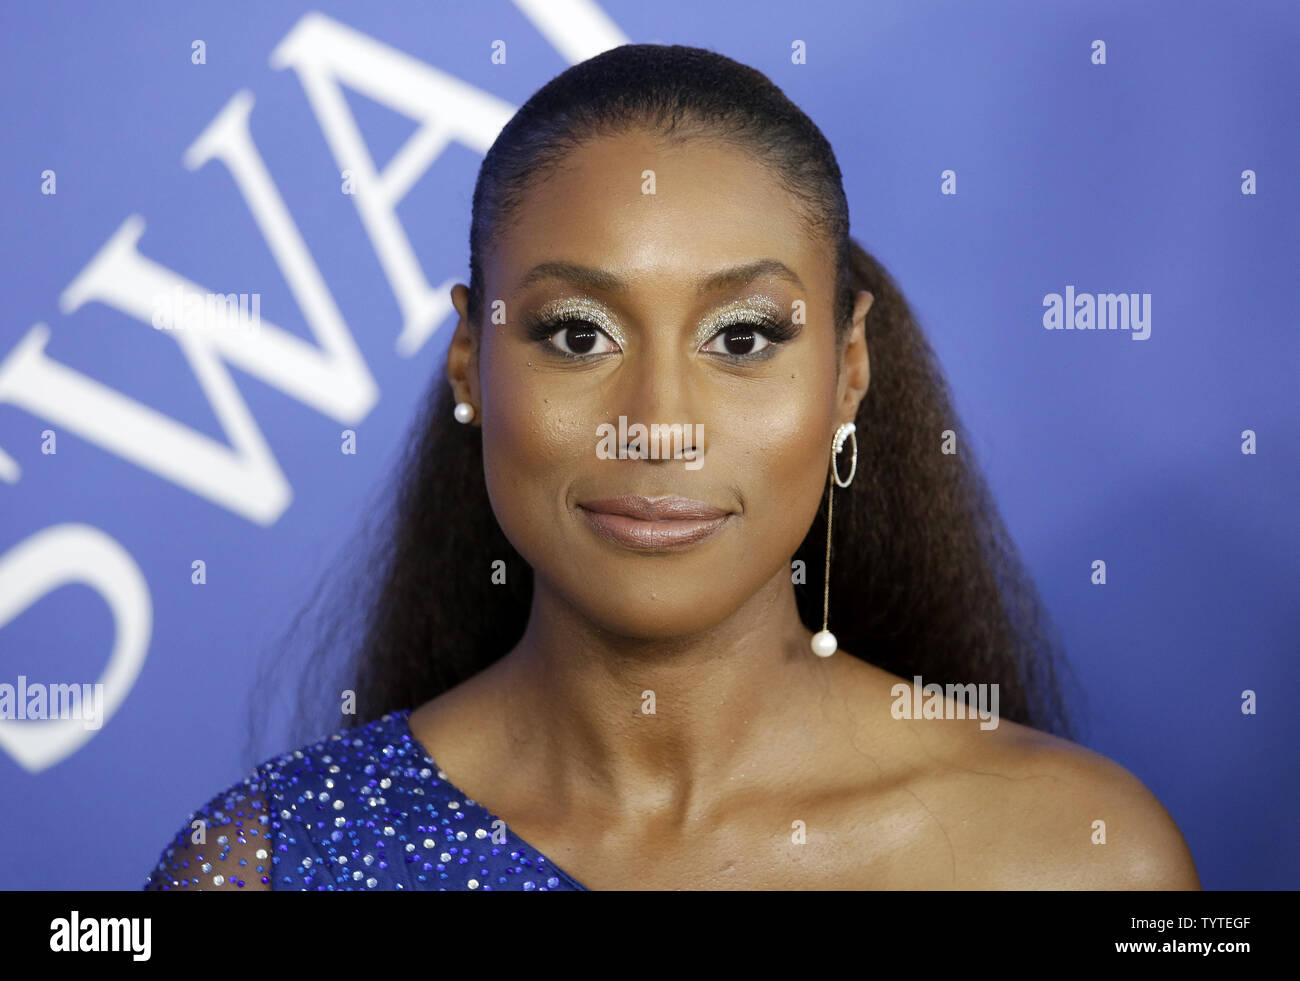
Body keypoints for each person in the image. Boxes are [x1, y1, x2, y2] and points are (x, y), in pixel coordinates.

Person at [144, 43, 1199, 891]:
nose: (656, 427)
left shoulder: (1077, 857)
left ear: (847, 370)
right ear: (469, 358)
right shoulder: (264, 867)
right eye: (574, 334)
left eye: (741, 339)